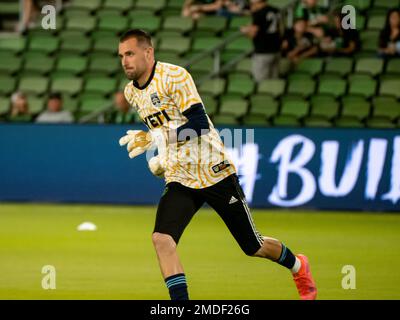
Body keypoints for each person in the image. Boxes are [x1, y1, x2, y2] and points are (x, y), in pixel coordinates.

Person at [117, 29, 317, 300]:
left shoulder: (174, 76)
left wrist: (159, 139)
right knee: (161, 239)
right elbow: (168, 129)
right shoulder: (132, 93)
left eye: (130, 53)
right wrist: (164, 157)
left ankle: (298, 266)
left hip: (215, 172)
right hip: (181, 178)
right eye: (121, 56)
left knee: (253, 246)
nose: (125, 61)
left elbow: (198, 125)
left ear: (148, 52)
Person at [240, 0, 282, 82]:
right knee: (274, 82)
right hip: (276, 49)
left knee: (261, 83)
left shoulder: (259, 13)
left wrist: (245, 31)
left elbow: (253, 33)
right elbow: (281, 30)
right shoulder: (275, 10)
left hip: (263, 51)